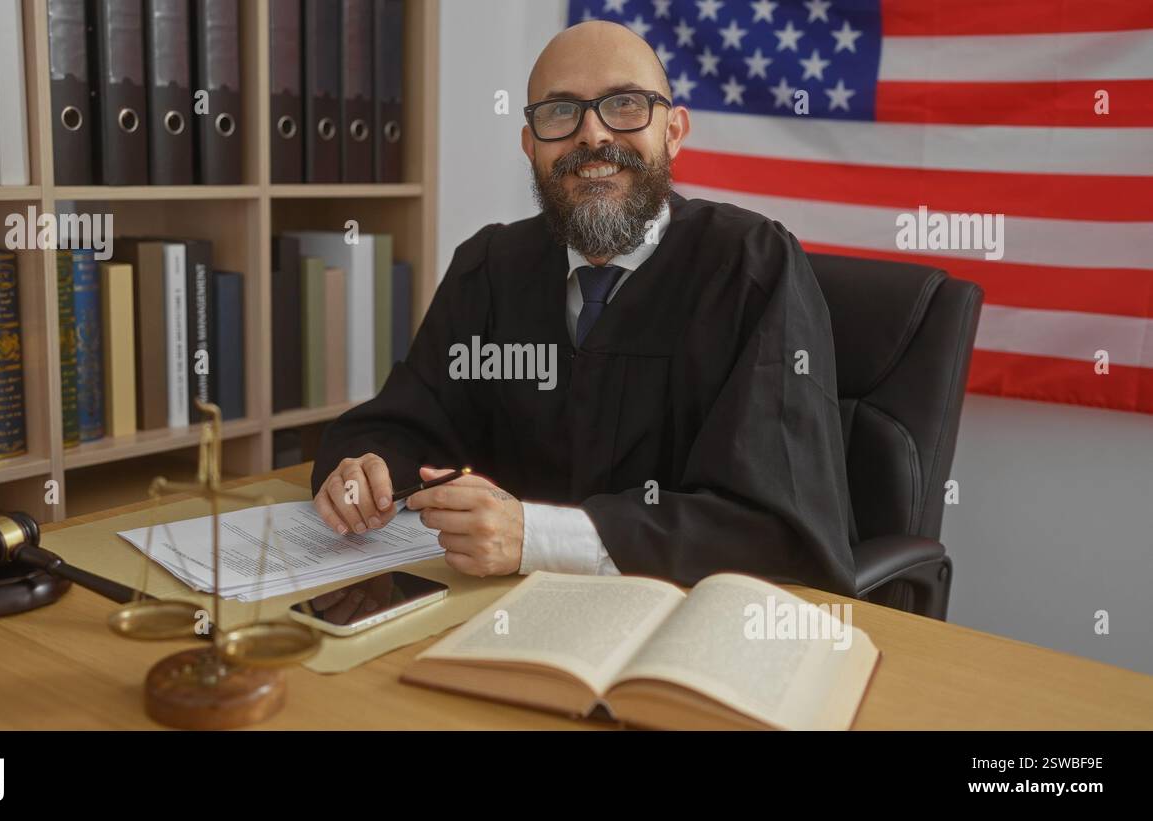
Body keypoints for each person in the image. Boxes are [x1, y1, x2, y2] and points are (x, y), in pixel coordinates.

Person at [309, 20, 855, 595]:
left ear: (673, 131)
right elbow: (409, 421)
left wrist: (537, 538)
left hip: (679, 631)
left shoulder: (753, 268)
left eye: (624, 104)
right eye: (559, 112)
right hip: (494, 612)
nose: (592, 136)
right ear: (531, 145)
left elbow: (777, 529)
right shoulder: (491, 266)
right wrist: (365, 467)